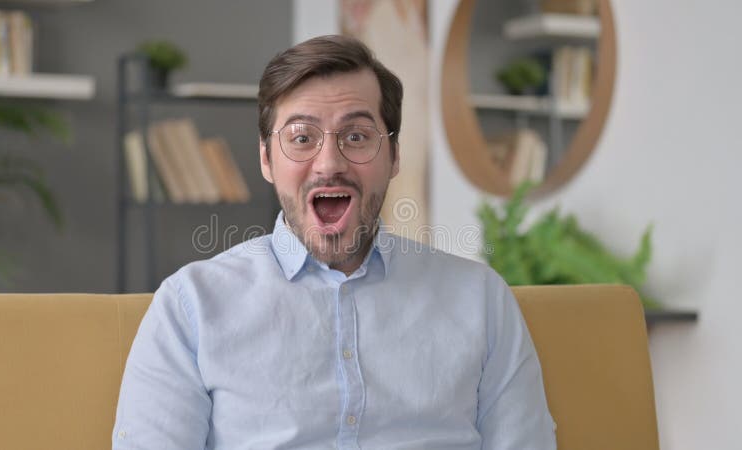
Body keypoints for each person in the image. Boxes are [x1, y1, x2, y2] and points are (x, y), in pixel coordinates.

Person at [112, 35, 556, 450]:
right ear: (267, 158)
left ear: (394, 156)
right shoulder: (190, 307)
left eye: (357, 136)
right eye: (301, 138)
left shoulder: (480, 300)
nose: (329, 164)